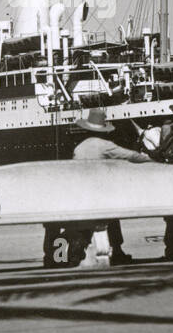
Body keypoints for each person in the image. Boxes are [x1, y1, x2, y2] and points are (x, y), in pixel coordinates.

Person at [64, 107, 152, 266]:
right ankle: (117, 251)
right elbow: (130, 155)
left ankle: (74, 252)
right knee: (112, 214)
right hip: (98, 197)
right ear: (103, 130)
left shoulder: (80, 147)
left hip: (80, 195)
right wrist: (149, 159)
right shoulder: (104, 145)